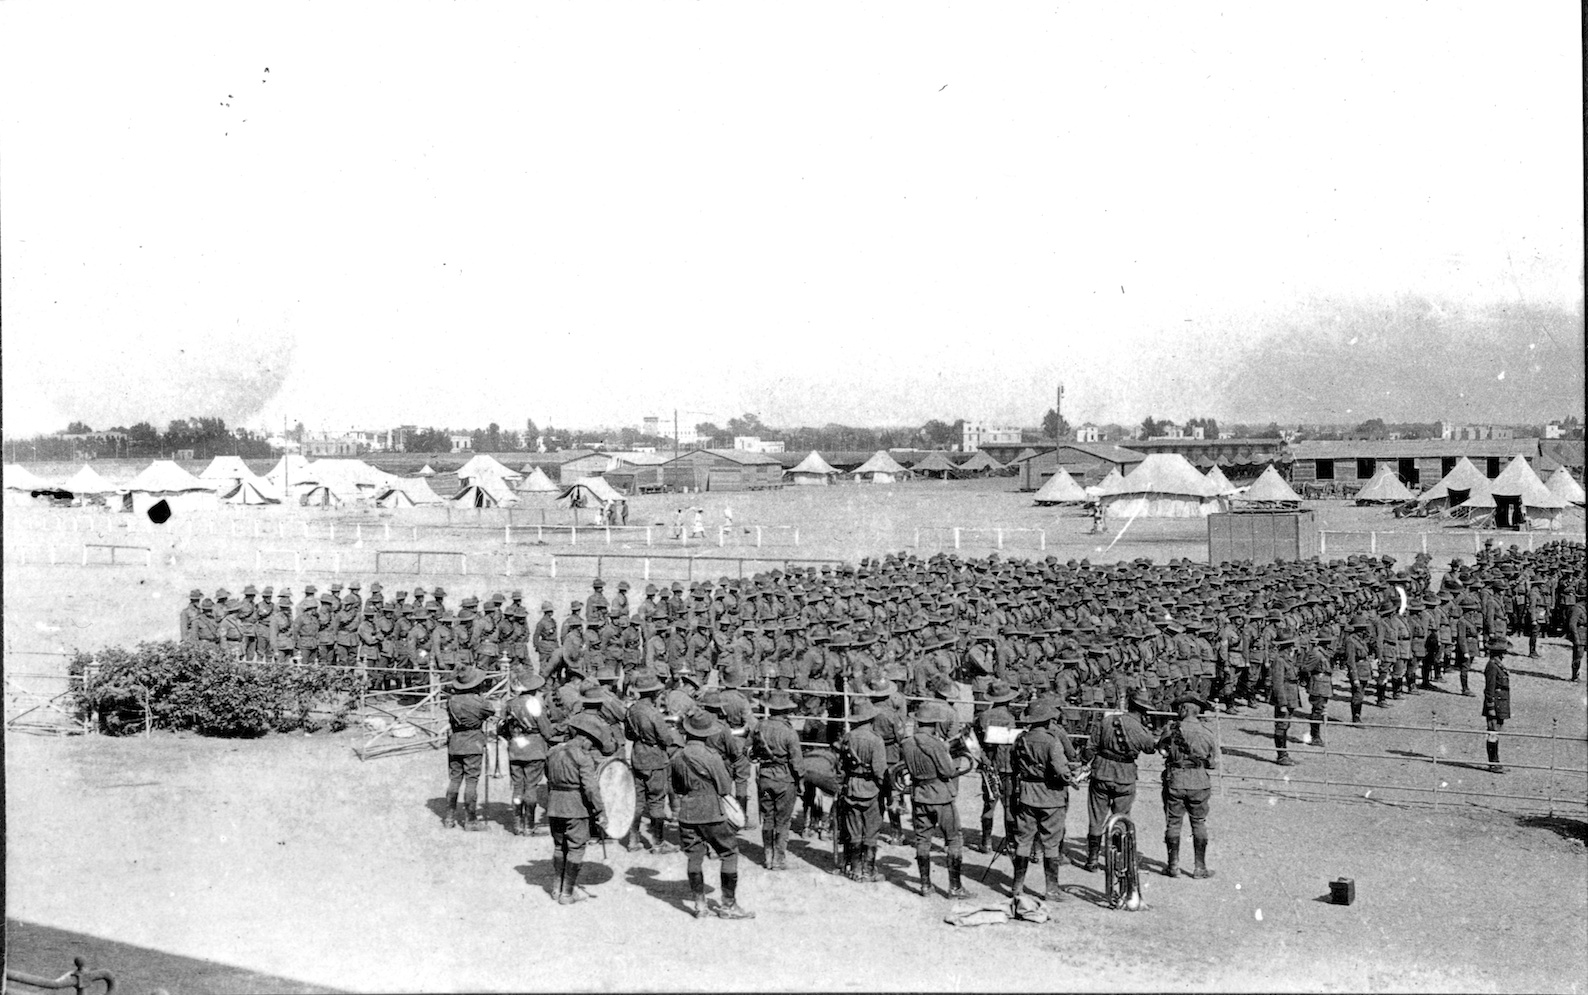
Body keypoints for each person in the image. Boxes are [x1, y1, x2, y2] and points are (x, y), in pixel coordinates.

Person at [670, 710, 755, 919]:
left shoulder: (677, 756)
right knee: (729, 853)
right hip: (712, 811)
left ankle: (700, 905)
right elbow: (725, 787)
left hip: (687, 812)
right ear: (706, 734)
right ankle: (728, 905)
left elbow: (676, 787)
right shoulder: (711, 756)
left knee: (694, 856)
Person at [1080, 689, 1157, 873]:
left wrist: (1084, 762)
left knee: (1096, 818)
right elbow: (1150, 748)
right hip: (1125, 776)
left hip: (1101, 772)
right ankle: (1117, 860)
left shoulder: (1107, 721)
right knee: (1121, 818)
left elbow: (1090, 748)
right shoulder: (1140, 729)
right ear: (1144, 711)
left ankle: (1091, 860)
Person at [1010, 698, 1078, 903]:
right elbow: (1061, 771)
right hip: (1051, 796)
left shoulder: (1021, 739)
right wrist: (1071, 775)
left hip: (1027, 794)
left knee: (1023, 841)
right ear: (1048, 720)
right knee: (1051, 844)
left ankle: (1017, 887)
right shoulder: (1051, 741)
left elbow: (1014, 764)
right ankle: (1052, 890)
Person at [900, 700, 969, 899]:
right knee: (954, 839)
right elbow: (948, 770)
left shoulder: (907, 743)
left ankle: (925, 885)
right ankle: (955, 888)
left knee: (923, 840)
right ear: (935, 724)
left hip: (919, 795)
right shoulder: (935, 744)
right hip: (941, 796)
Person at [545, 713, 609, 904]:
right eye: (592, 741)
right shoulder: (584, 757)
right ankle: (567, 893)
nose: (592, 746)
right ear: (585, 737)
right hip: (576, 808)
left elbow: (548, 776)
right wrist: (600, 811)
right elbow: (590, 788)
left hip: (554, 805)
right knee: (576, 848)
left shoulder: (553, 751)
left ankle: (556, 889)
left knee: (559, 846)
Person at [1159, 693, 1218, 879]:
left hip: (1176, 779)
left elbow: (1161, 749)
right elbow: (1212, 763)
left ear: (1184, 709)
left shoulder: (1171, 729)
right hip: (1199, 782)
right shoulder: (1207, 733)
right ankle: (1199, 868)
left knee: (1173, 822)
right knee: (1198, 823)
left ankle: (1173, 866)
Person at [623, 671, 681, 854]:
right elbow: (666, 740)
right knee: (656, 801)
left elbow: (629, 735)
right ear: (654, 693)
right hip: (655, 759)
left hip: (638, 756)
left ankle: (633, 840)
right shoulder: (654, 713)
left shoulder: (631, 710)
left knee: (637, 802)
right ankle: (658, 843)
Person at [499, 668, 558, 836]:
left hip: (516, 747)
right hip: (534, 748)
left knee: (518, 786)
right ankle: (529, 826)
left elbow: (502, 727)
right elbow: (546, 731)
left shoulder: (510, 703)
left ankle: (517, 825)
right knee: (531, 786)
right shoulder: (535, 703)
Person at [750, 690, 804, 871]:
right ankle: (778, 858)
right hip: (784, 781)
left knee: (767, 816)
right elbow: (796, 761)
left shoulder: (759, 727)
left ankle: (767, 855)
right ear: (785, 711)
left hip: (765, 780)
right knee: (782, 820)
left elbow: (750, 751)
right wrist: (801, 780)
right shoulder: (789, 732)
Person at [837, 697, 888, 882]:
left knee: (854, 831)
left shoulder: (848, 737)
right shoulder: (876, 740)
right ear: (871, 718)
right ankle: (868, 871)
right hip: (871, 789)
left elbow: (840, 766)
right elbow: (880, 771)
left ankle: (855, 870)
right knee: (871, 832)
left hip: (851, 788)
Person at [442, 664, 497, 831]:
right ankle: (470, 820)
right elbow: (490, 711)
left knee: (455, 779)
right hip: (473, 743)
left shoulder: (451, 701)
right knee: (471, 781)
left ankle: (449, 817)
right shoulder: (479, 702)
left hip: (455, 742)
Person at [971, 679, 1020, 854]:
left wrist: (985, 760)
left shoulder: (983, 717)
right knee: (1009, 806)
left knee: (989, 804)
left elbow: (974, 743)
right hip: (1007, 768)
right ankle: (1010, 843)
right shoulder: (1010, 718)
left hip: (989, 766)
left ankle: (986, 842)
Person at [1269, 629, 1302, 766]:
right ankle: (1282, 756)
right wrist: (1282, 703)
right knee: (1281, 726)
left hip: (1291, 696)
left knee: (1286, 725)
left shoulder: (1289, 658)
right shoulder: (1280, 660)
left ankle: (1284, 754)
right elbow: (1277, 683)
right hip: (1285, 697)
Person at [1482, 635, 1511, 774]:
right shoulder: (1492, 666)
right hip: (1496, 704)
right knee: (1492, 732)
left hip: (1501, 703)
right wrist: (1491, 707)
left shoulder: (1497, 664)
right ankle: (1493, 763)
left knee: (1496, 732)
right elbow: (1489, 689)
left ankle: (1496, 761)